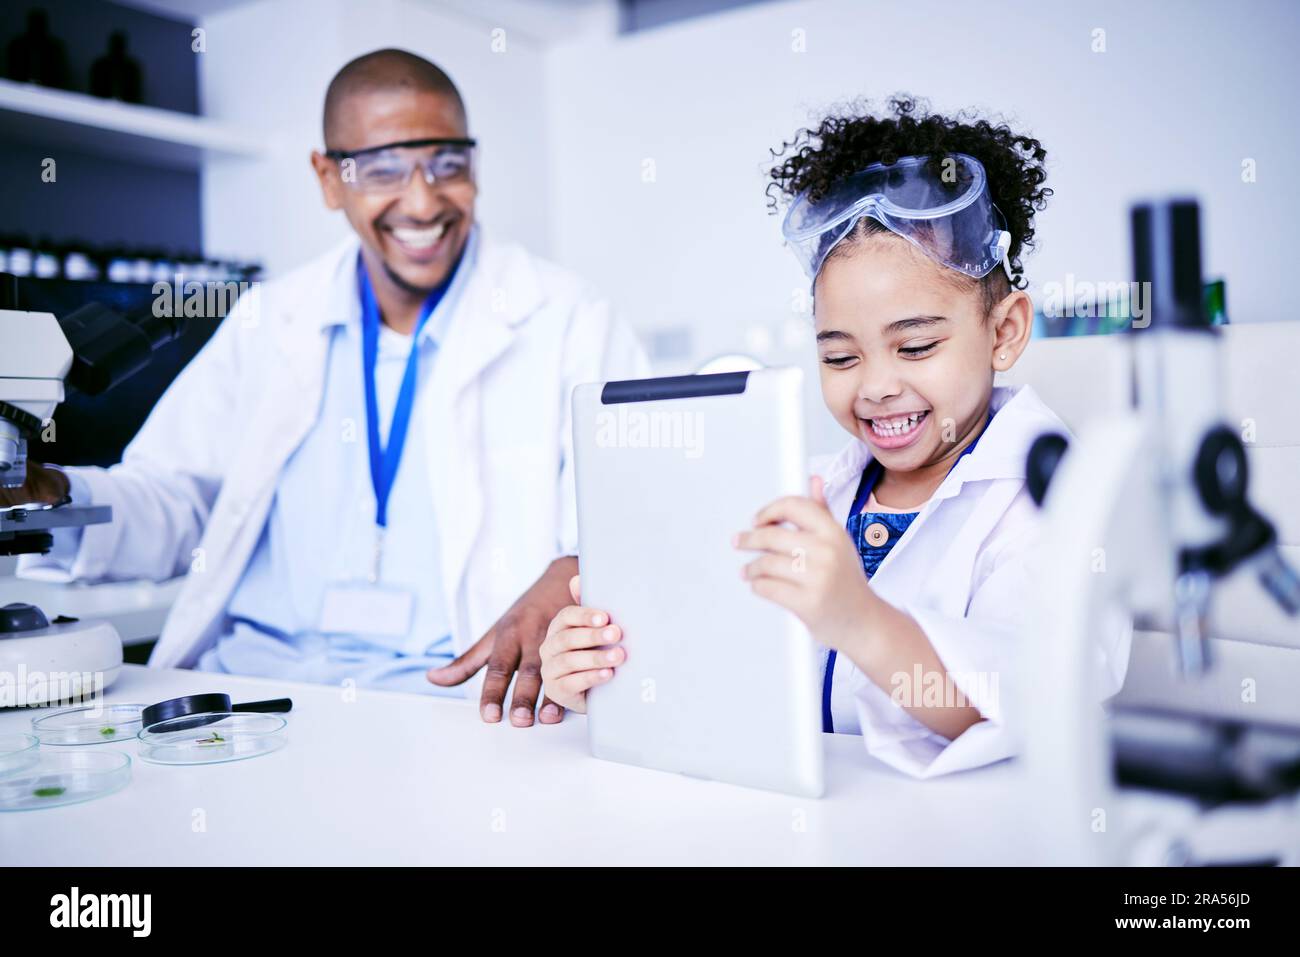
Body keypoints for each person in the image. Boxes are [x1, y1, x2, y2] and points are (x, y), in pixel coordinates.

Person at [11, 49, 647, 726]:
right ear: (328, 177)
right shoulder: (270, 321)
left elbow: (637, 511)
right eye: (382, 169)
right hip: (246, 696)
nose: (424, 198)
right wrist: (49, 494)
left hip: (448, 706)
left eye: (448, 163)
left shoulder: (568, 318)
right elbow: (176, 499)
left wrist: (575, 568)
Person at [539, 97, 1131, 776]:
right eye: (840, 357)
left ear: (1005, 330)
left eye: (914, 346)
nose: (875, 385)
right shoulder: (815, 487)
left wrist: (857, 616)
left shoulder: (1056, 501)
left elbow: (1026, 692)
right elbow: (729, 672)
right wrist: (602, 673)